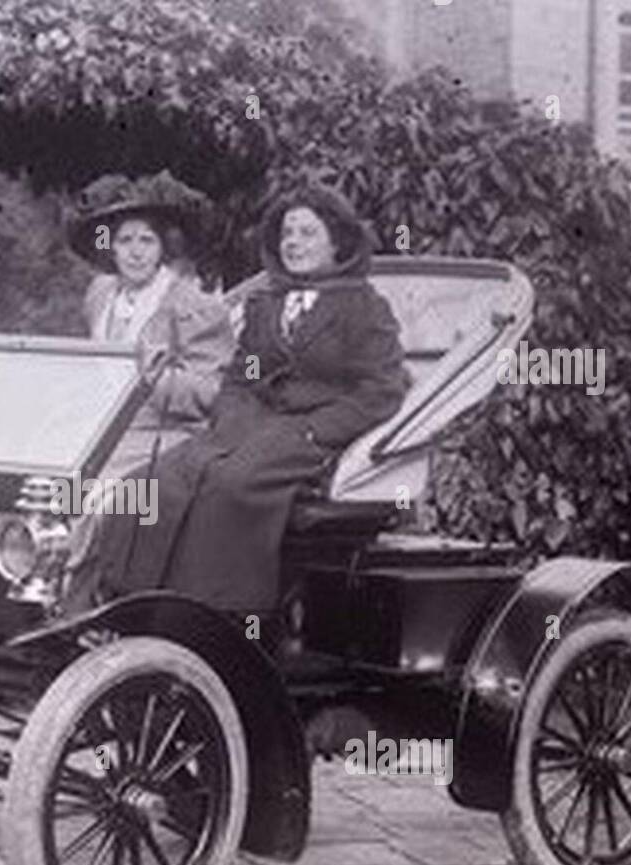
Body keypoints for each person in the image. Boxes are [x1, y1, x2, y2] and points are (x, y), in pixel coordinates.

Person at [94, 184, 409, 620]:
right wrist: (232, 417)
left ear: (336, 241)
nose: (294, 243)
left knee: (230, 485)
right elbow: (246, 375)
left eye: (307, 233)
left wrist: (317, 429)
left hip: (312, 434)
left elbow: (381, 390)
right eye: (287, 234)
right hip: (247, 426)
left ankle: (215, 616)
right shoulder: (266, 305)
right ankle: (127, 601)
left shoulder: (364, 308)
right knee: (151, 481)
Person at [70, 172, 235, 474]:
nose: (136, 252)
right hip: (97, 425)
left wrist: (155, 377)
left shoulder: (195, 305)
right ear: (110, 247)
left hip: (164, 433)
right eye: (125, 240)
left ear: (164, 247)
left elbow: (212, 393)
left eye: (147, 240)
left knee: (95, 485)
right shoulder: (100, 294)